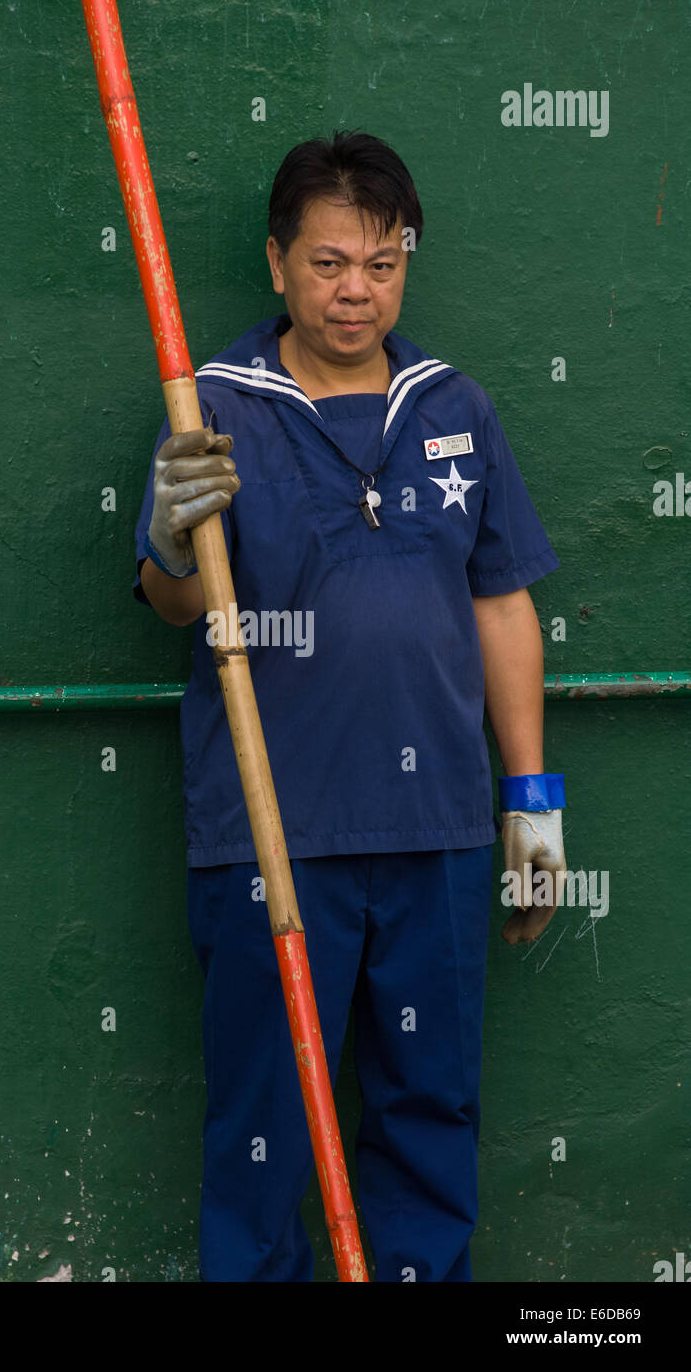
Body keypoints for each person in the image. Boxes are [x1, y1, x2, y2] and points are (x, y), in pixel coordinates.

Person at [131, 131, 566, 1282]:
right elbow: (177, 604)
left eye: (380, 263)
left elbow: (502, 605)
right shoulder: (211, 408)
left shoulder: (452, 407)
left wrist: (531, 800)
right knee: (267, 1132)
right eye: (328, 264)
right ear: (277, 264)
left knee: (431, 1114)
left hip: (439, 839)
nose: (353, 290)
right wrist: (178, 526)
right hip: (276, 841)